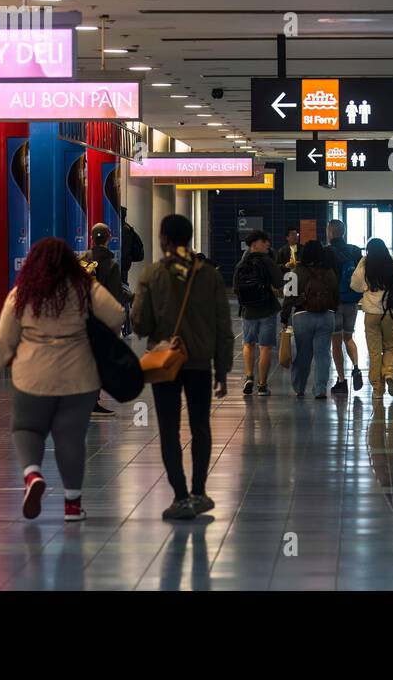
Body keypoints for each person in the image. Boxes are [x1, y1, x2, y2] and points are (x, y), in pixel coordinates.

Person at [0, 237, 125, 523]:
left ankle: (32, 474)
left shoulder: (22, 294)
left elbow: (2, 340)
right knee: (70, 437)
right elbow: (117, 314)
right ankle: (71, 506)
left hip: (32, 376)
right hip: (79, 377)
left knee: (26, 429)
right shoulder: (84, 289)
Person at [132, 214, 234, 521]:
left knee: (169, 429)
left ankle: (180, 497)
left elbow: (139, 324)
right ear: (189, 238)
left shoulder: (152, 275)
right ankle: (200, 491)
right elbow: (222, 325)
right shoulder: (209, 275)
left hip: (166, 363)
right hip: (200, 364)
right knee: (200, 426)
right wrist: (223, 370)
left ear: (163, 238)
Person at [352, 237, 393, 396]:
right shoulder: (392, 265)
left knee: (374, 351)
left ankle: (377, 389)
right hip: (390, 314)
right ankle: (388, 374)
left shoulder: (366, 265)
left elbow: (354, 285)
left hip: (371, 314)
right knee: (390, 346)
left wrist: (362, 263)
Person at [284, 240, 339, 398]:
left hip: (302, 317)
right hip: (326, 316)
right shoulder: (329, 272)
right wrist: (331, 309)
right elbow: (335, 294)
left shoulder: (295, 272)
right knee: (323, 354)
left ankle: (299, 387)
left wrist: (284, 316)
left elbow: (288, 297)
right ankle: (320, 389)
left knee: (303, 354)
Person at [233, 228, 284, 396]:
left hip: (248, 312)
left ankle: (249, 377)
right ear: (254, 244)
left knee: (248, 344)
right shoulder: (267, 261)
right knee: (265, 348)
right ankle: (262, 385)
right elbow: (278, 282)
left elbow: (235, 288)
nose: (267, 246)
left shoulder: (241, 264)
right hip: (267, 310)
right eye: (264, 243)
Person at [80, 223, 125, 416]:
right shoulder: (111, 265)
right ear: (109, 238)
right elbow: (115, 295)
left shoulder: (80, 260)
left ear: (91, 238)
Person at [324, 219, 364, 393]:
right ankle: (356, 366)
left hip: (334, 303)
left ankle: (341, 381)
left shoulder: (326, 252)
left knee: (336, 342)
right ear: (344, 232)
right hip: (352, 302)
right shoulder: (355, 250)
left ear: (330, 232)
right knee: (349, 338)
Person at [119, 205, 144, 285]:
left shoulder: (123, 230)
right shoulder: (127, 228)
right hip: (124, 268)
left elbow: (124, 253)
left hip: (121, 268)